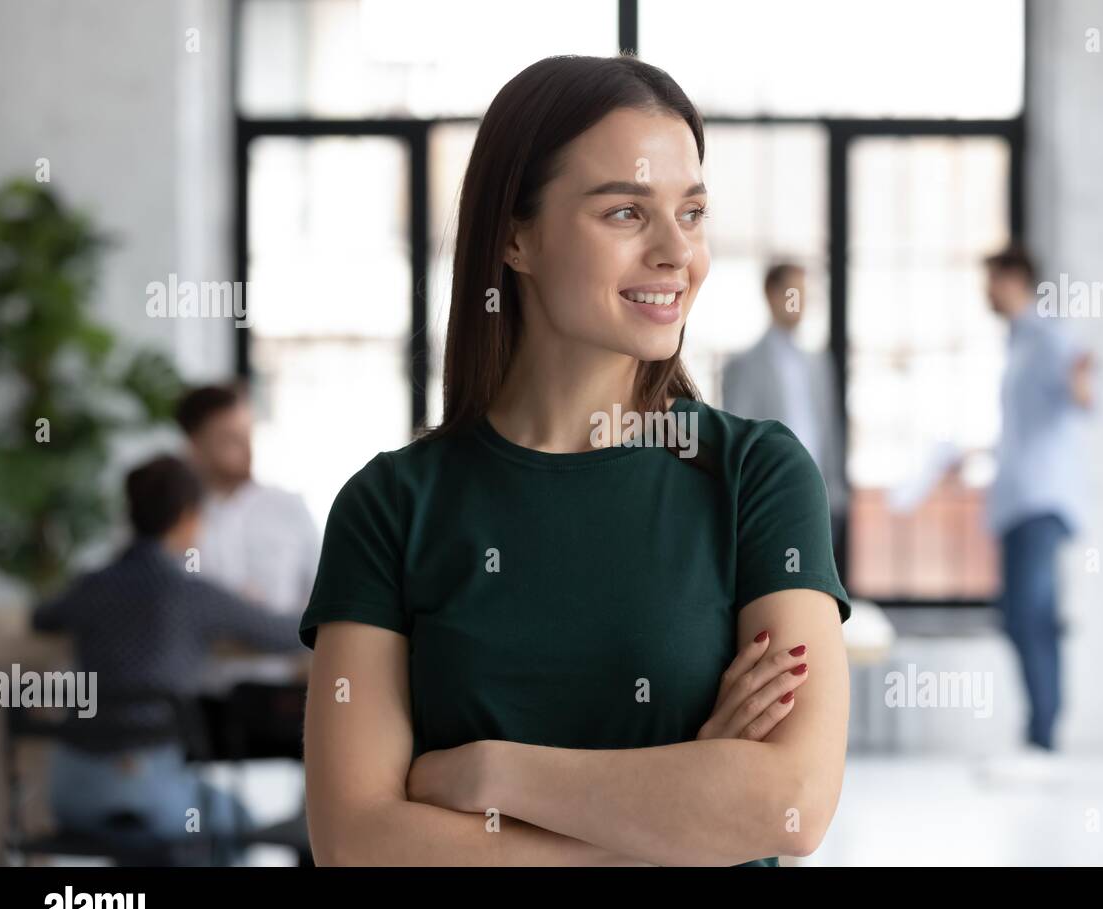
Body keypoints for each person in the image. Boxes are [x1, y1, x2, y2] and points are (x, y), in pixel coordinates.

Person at [301, 54, 853, 867]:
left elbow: (792, 807)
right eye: (627, 213)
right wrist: (681, 826)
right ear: (515, 236)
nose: (678, 253)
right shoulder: (390, 507)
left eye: (692, 212)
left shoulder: (755, 477)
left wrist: (493, 772)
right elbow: (358, 842)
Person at [31, 455, 303, 862]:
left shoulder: (93, 584)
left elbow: (42, 618)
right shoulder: (193, 596)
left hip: (72, 794)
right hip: (148, 795)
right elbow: (286, 633)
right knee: (236, 817)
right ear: (186, 518)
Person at [980, 244, 1093, 771]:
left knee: (1033, 617)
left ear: (1017, 279)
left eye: (992, 281)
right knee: (1020, 618)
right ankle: (1039, 734)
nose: (986, 293)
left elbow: (1082, 397)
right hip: (1017, 502)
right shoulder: (1018, 343)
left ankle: (1043, 740)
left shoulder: (1048, 339)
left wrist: (1082, 386)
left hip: (1040, 504)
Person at [721, 262, 851, 589]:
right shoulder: (744, 365)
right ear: (770, 295)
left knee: (816, 586)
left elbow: (829, 431)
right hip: (771, 494)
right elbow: (739, 433)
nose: (801, 302)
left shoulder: (818, 363)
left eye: (805, 294)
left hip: (819, 492)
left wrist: (835, 488)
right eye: (793, 293)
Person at [175, 384, 319, 616]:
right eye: (230, 440)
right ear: (195, 445)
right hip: (201, 652)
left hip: (284, 649)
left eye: (247, 435)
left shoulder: (288, 508)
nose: (247, 449)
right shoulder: (173, 517)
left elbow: (322, 595)